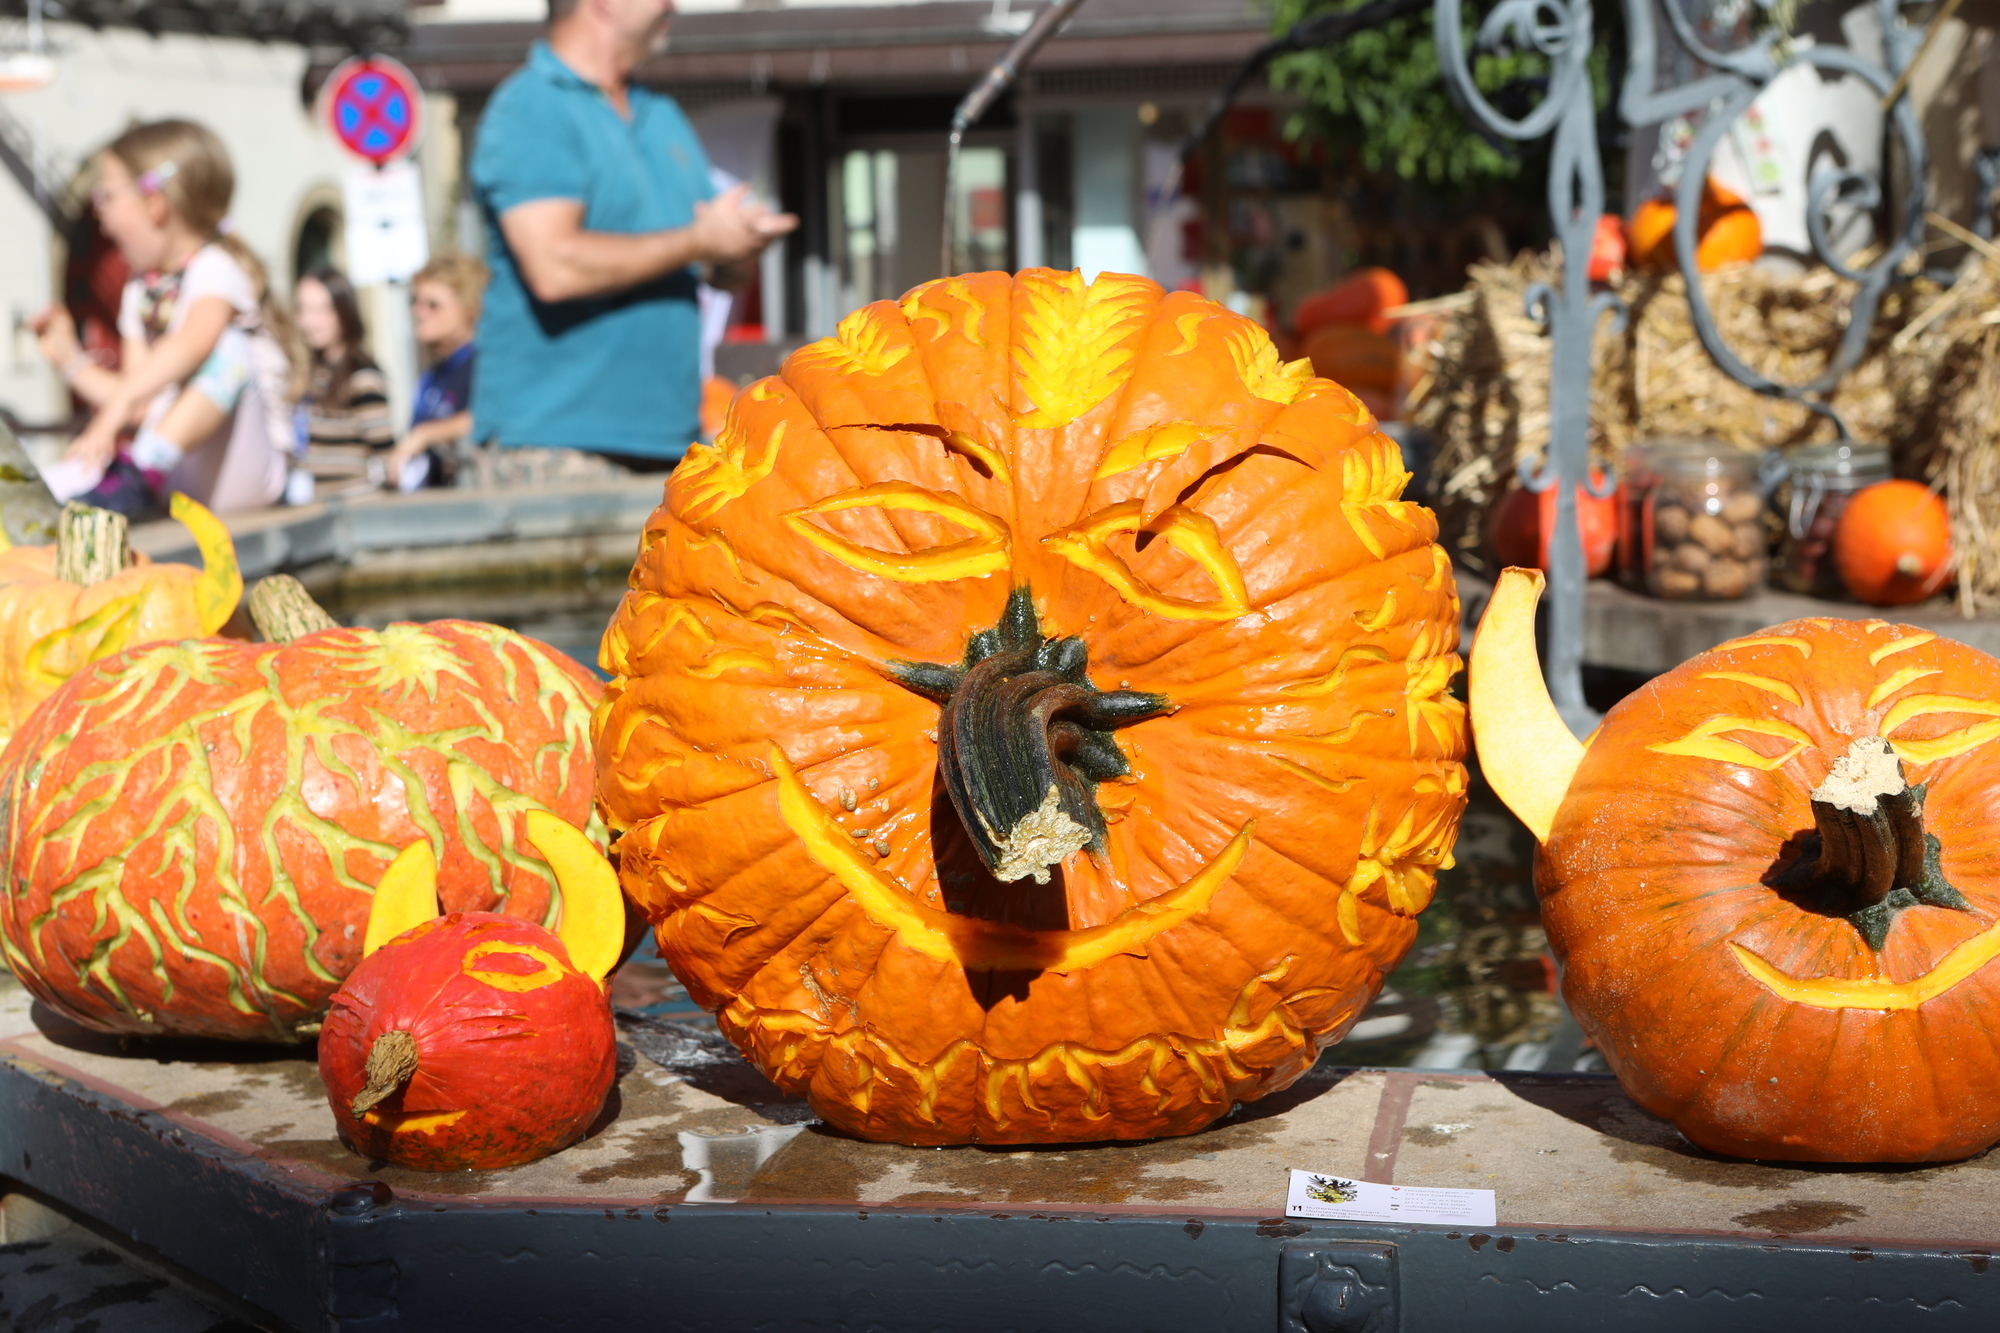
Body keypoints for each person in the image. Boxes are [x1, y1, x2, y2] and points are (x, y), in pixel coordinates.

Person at [468, 0, 796, 470]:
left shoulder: (661, 114)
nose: (672, 4)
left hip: (674, 443)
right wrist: (699, 241)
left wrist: (737, 242)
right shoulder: (531, 106)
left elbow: (716, 268)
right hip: (556, 446)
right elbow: (555, 268)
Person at [32, 120, 298, 516]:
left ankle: (136, 476)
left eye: (106, 195)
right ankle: (130, 480)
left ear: (154, 205)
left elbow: (193, 344)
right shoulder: (140, 289)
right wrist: (71, 361)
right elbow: (140, 403)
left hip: (249, 475)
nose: (99, 214)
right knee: (50, 486)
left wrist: (114, 412)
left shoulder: (215, 267)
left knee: (229, 347)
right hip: (174, 474)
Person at [387, 252, 486, 490]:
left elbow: (489, 418)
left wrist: (426, 434)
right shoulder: (431, 375)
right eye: (416, 302)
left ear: (469, 307)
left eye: (433, 305)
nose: (420, 313)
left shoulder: (483, 365)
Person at [295, 268, 394, 495]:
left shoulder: (362, 378)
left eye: (322, 310)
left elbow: (388, 459)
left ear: (344, 311)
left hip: (357, 511)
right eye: (303, 309)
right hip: (316, 511)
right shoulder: (311, 375)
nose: (309, 321)